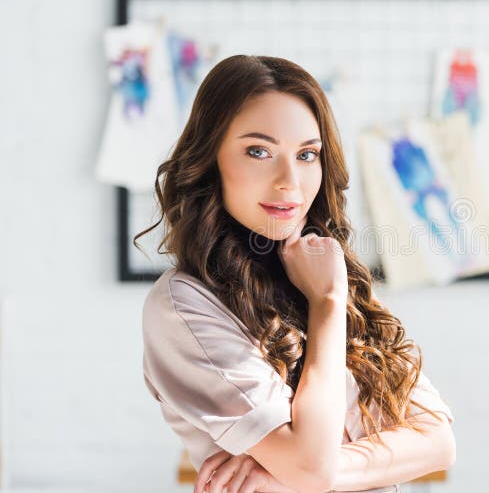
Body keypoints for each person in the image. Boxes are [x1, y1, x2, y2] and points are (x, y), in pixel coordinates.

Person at [137, 55, 456, 493]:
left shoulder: (324, 274)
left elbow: (437, 440)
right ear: (210, 160)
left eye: (307, 154)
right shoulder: (183, 307)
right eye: (259, 151)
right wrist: (326, 306)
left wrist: (288, 473)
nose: (290, 181)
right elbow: (310, 468)